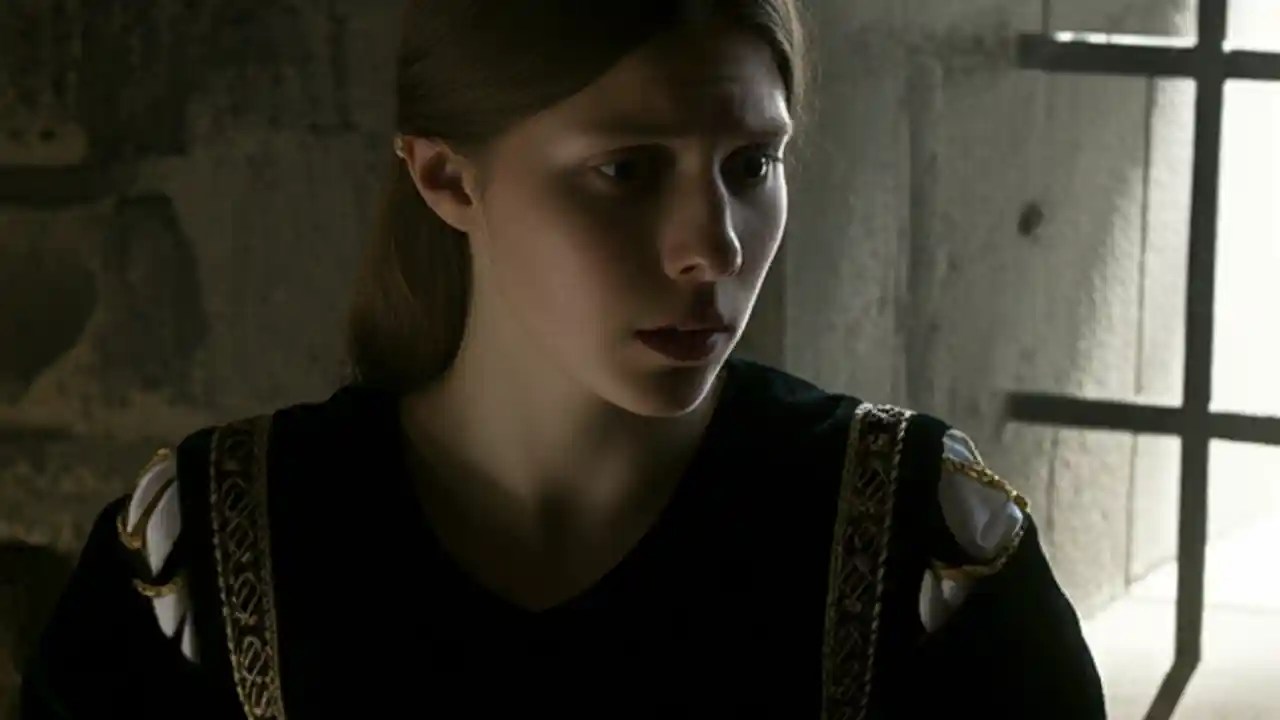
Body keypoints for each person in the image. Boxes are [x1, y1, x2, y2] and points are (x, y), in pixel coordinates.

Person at [19, 1, 1106, 717]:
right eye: (627, 170)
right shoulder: (209, 553)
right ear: (448, 178)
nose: (712, 246)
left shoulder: (918, 549)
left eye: (750, 163)